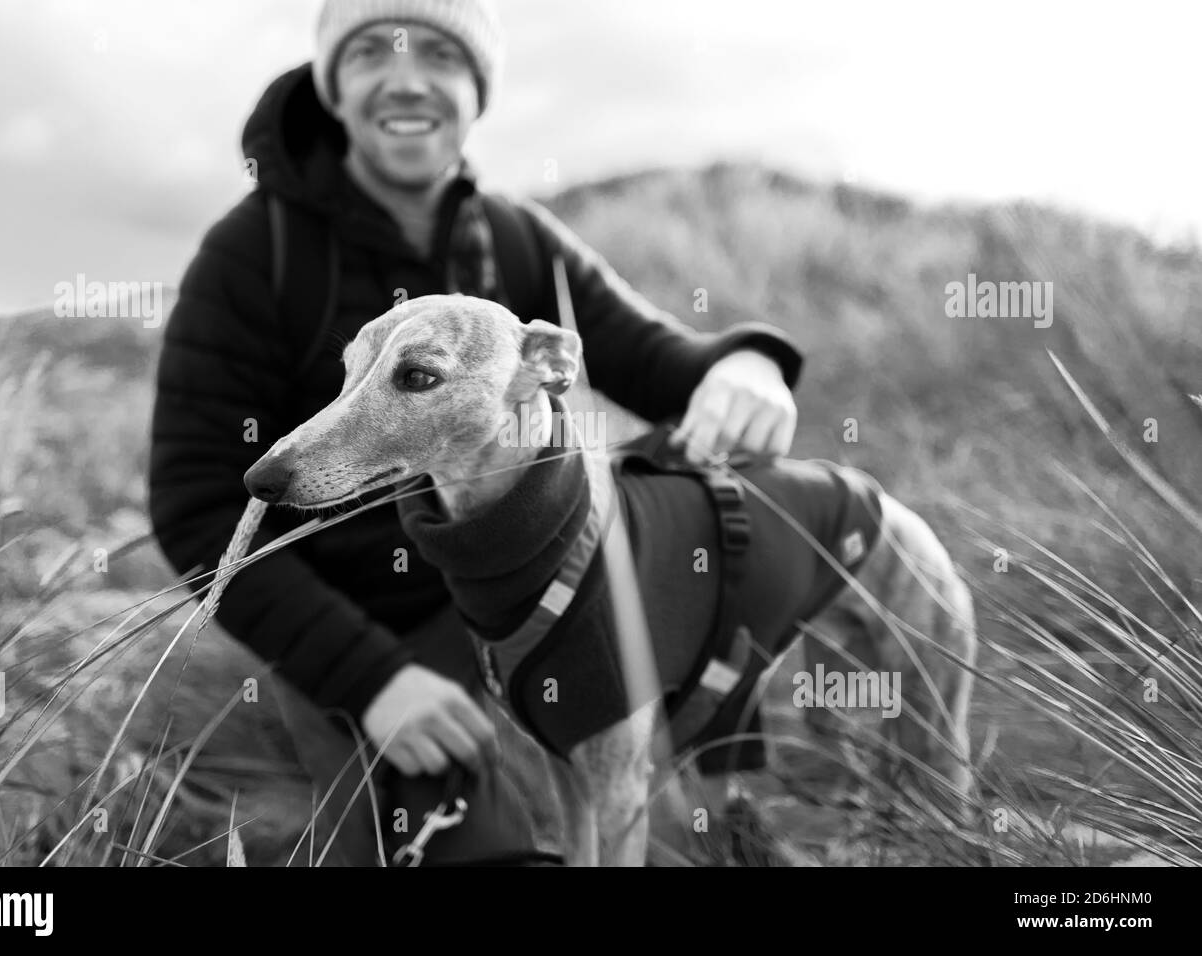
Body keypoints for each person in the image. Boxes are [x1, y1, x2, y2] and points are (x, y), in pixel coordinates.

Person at [148, 0, 805, 865]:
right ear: (332, 87)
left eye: (440, 53)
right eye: (371, 54)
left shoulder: (516, 235)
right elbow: (198, 509)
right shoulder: (249, 256)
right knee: (466, 850)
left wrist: (746, 364)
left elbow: (652, 357)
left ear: (478, 89)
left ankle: (732, 815)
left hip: (527, 589)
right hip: (366, 630)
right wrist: (369, 679)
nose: (408, 76)